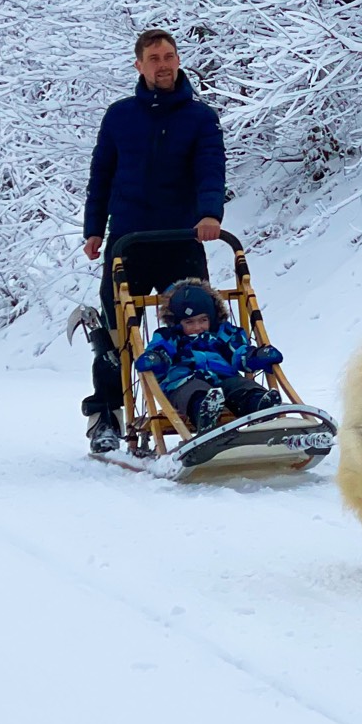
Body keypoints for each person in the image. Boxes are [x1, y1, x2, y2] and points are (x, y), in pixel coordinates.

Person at [81, 28, 227, 452]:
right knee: (114, 334)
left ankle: (210, 403)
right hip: (129, 241)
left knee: (199, 326)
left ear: (178, 60)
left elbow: (210, 170)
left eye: (169, 56)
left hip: (182, 239)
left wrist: (209, 214)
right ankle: (105, 417)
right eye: (154, 58)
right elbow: (101, 176)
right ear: (140, 65)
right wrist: (94, 228)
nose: (163, 65)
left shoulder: (200, 118)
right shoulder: (120, 116)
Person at [135, 280, 283, 432]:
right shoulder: (170, 337)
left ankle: (259, 404)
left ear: (211, 318)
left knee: (240, 385)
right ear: (178, 323)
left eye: (203, 320)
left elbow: (239, 351)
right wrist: (157, 359)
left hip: (222, 378)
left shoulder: (223, 334)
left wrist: (255, 356)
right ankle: (204, 413)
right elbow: (162, 350)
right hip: (183, 382)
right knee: (195, 392)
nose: (197, 327)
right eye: (189, 322)